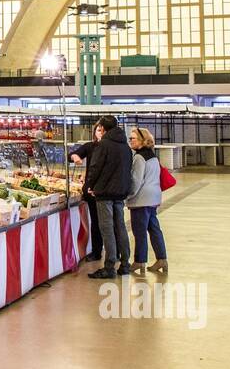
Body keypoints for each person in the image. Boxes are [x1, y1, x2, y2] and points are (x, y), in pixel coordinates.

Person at [83, 116, 134, 279]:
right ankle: (125, 264)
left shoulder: (103, 145)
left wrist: (89, 185)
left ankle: (109, 266)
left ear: (103, 129)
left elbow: (95, 167)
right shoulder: (125, 146)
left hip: (104, 193)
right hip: (120, 192)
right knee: (120, 227)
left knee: (107, 229)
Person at [126, 127, 168, 276]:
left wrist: (128, 196)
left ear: (142, 140)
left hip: (141, 199)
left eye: (133, 138)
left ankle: (139, 261)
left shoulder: (139, 157)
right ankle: (162, 259)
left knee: (140, 232)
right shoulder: (153, 156)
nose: (130, 141)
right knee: (154, 229)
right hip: (153, 197)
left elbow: (136, 181)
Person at [70, 139, 103, 263]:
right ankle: (97, 251)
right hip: (91, 191)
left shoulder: (110, 147)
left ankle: (115, 254)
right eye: (98, 130)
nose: (100, 132)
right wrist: (74, 156)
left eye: (102, 130)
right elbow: (73, 154)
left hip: (104, 191)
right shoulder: (90, 146)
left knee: (110, 224)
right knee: (96, 222)